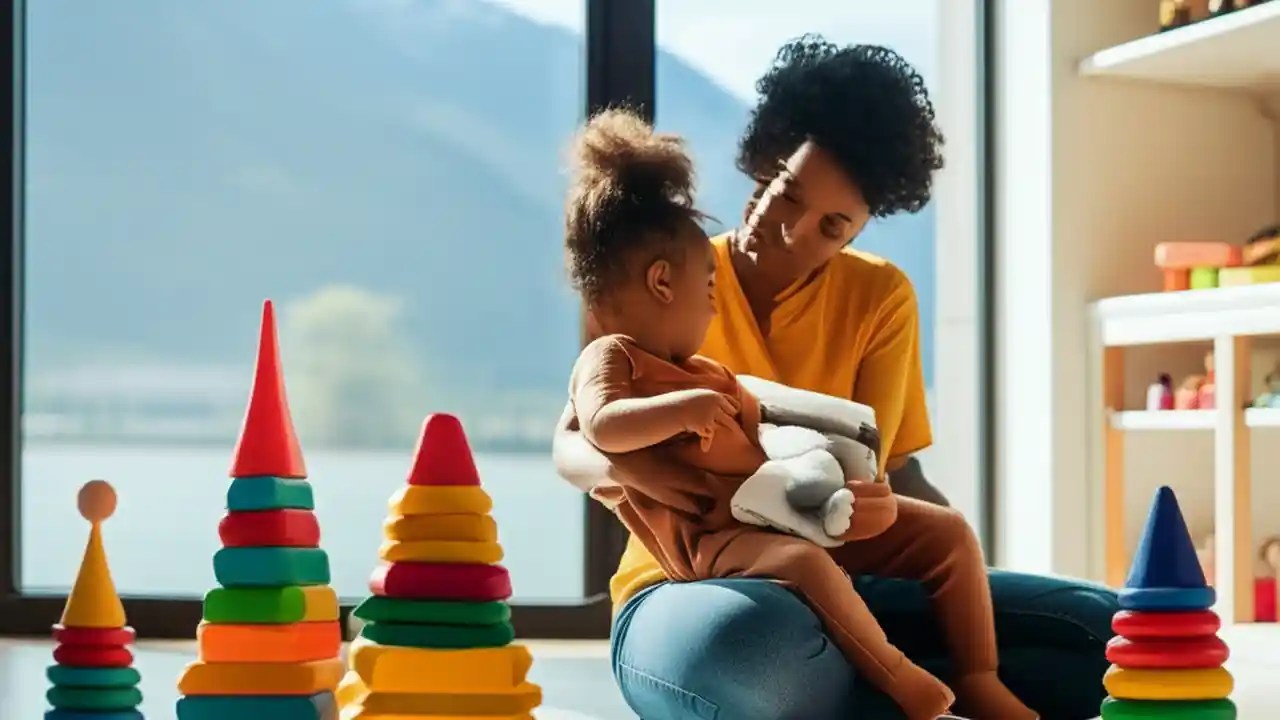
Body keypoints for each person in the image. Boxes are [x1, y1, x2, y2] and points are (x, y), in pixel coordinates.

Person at [553, 36, 1118, 720]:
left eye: (831, 225)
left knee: (1112, 630)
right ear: (765, 161)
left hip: (842, 570)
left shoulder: (880, 297)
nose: (790, 230)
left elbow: (883, 471)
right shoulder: (659, 279)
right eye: (786, 192)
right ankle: (870, 684)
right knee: (751, 652)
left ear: (856, 233)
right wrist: (631, 467)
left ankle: (882, 685)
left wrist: (926, 544)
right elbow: (576, 439)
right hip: (691, 585)